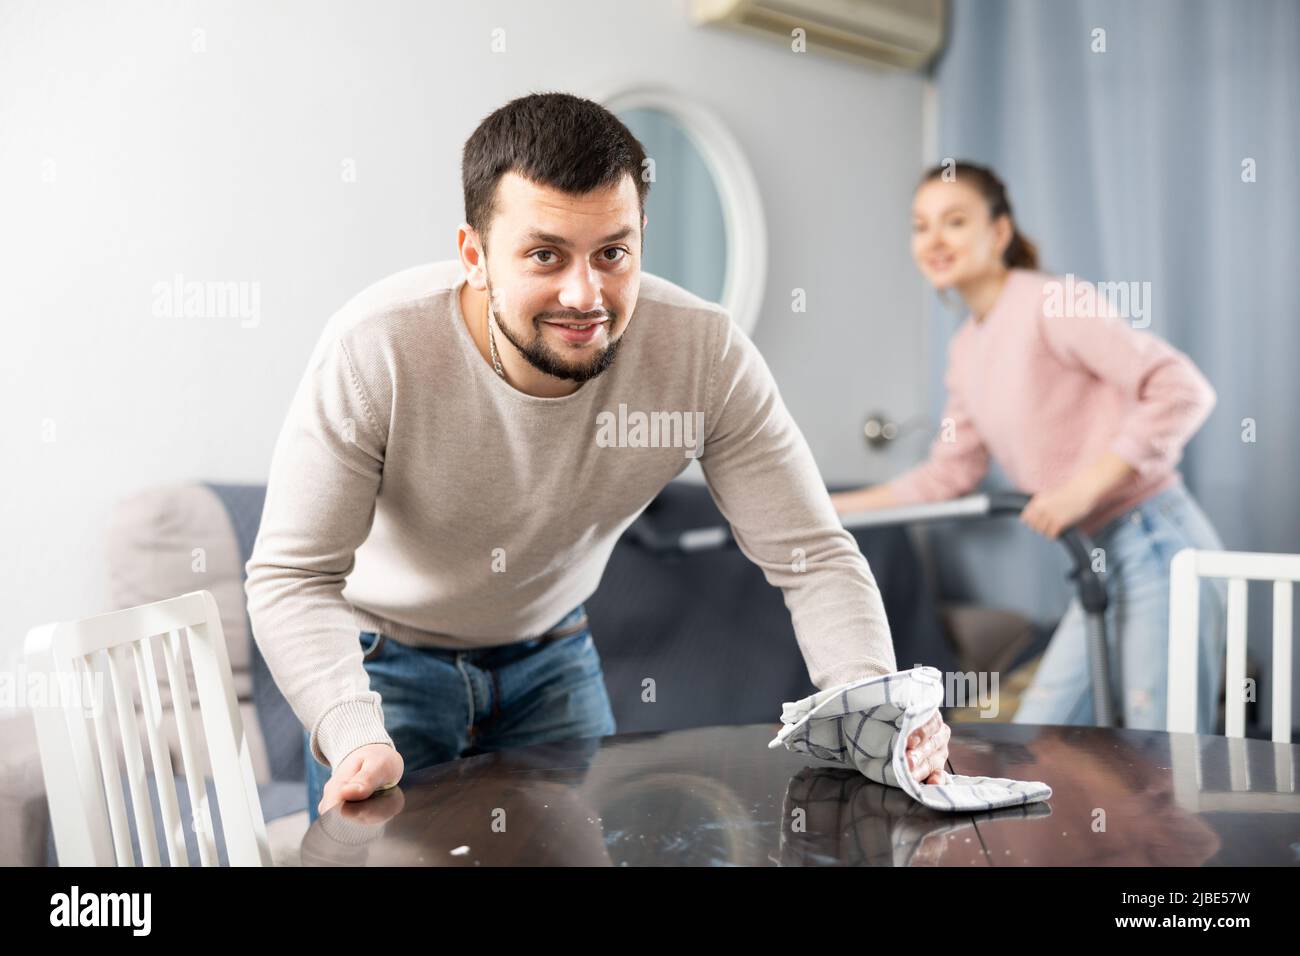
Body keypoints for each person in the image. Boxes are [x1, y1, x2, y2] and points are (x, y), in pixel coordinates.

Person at [245, 92, 949, 822]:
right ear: (474, 256)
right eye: (545, 254)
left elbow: (813, 555)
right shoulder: (377, 347)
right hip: (378, 667)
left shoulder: (704, 357)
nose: (586, 296)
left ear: (643, 236)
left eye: (613, 253)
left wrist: (877, 714)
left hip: (553, 656)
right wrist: (355, 734)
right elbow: (291, 576)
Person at [830, 161, 1226, 735]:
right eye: (921, 226)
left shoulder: (1049, 302)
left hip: (1155, 541)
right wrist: (825, 511)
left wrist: (1081, 491)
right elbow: (946, 477)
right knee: (1043, 739)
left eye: (955, 221)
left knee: (1160, 765)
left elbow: (1183, 388)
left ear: (999, 232)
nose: (934, 240)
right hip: (1097, 557)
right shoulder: (967, 349)